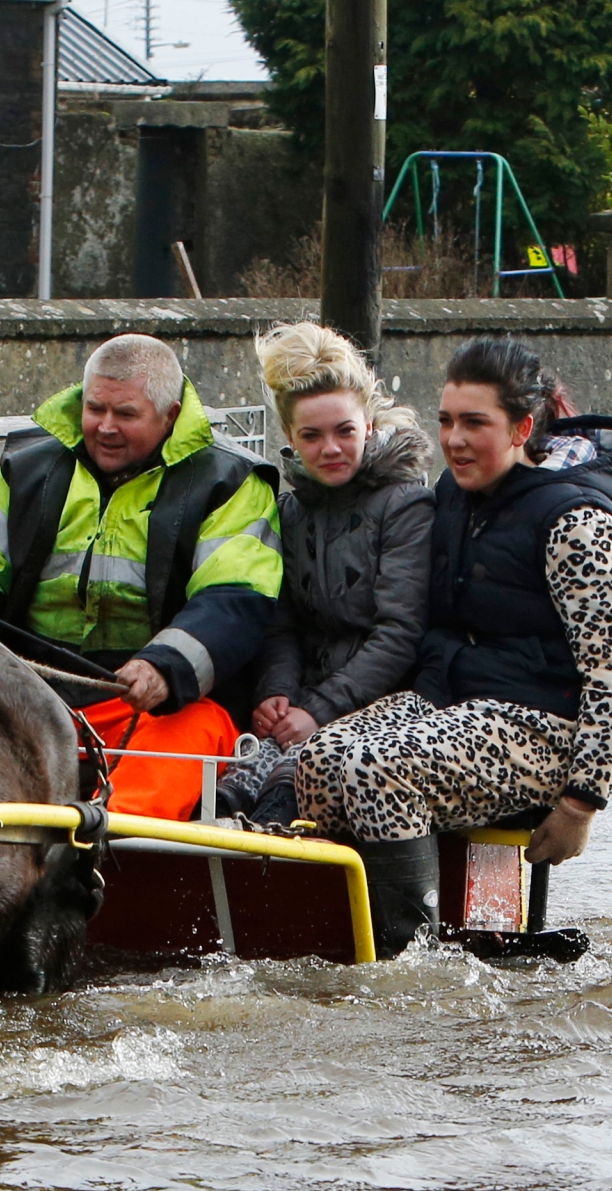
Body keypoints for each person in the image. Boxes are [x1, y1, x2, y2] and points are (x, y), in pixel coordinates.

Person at [294, 337, 612, 955]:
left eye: (474, 423)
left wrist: (581, 804)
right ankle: (353, 927)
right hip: (448, 699)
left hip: (539, 727)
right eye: (447, 421)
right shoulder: (453, 495)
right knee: (320, 757)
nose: (453, 439)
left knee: (375, 769)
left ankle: (410, 962)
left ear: (522, 429)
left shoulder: (577, 523)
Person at [0, 333, 283, 820]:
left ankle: (99, 852)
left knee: (194, 731)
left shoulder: (232, 480)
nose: (105, 427)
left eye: (126, 415)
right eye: (95, 410)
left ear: (170, 416)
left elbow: (236, 598)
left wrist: (163, 666)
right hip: (26, 693)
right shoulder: (27, 469)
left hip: (161, 705)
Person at [217, 322, 435, 825]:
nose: (330, 449)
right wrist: (276, 695)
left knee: (289, 779)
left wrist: (315, 711)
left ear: (370, 427)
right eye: (311, 436)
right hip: (310, 697)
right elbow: (283, 625)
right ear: (291, 438)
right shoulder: (289, 512)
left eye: (345, 432)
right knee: (238, 774)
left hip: (386, 702)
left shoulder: (406, 506)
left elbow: (400, 635)